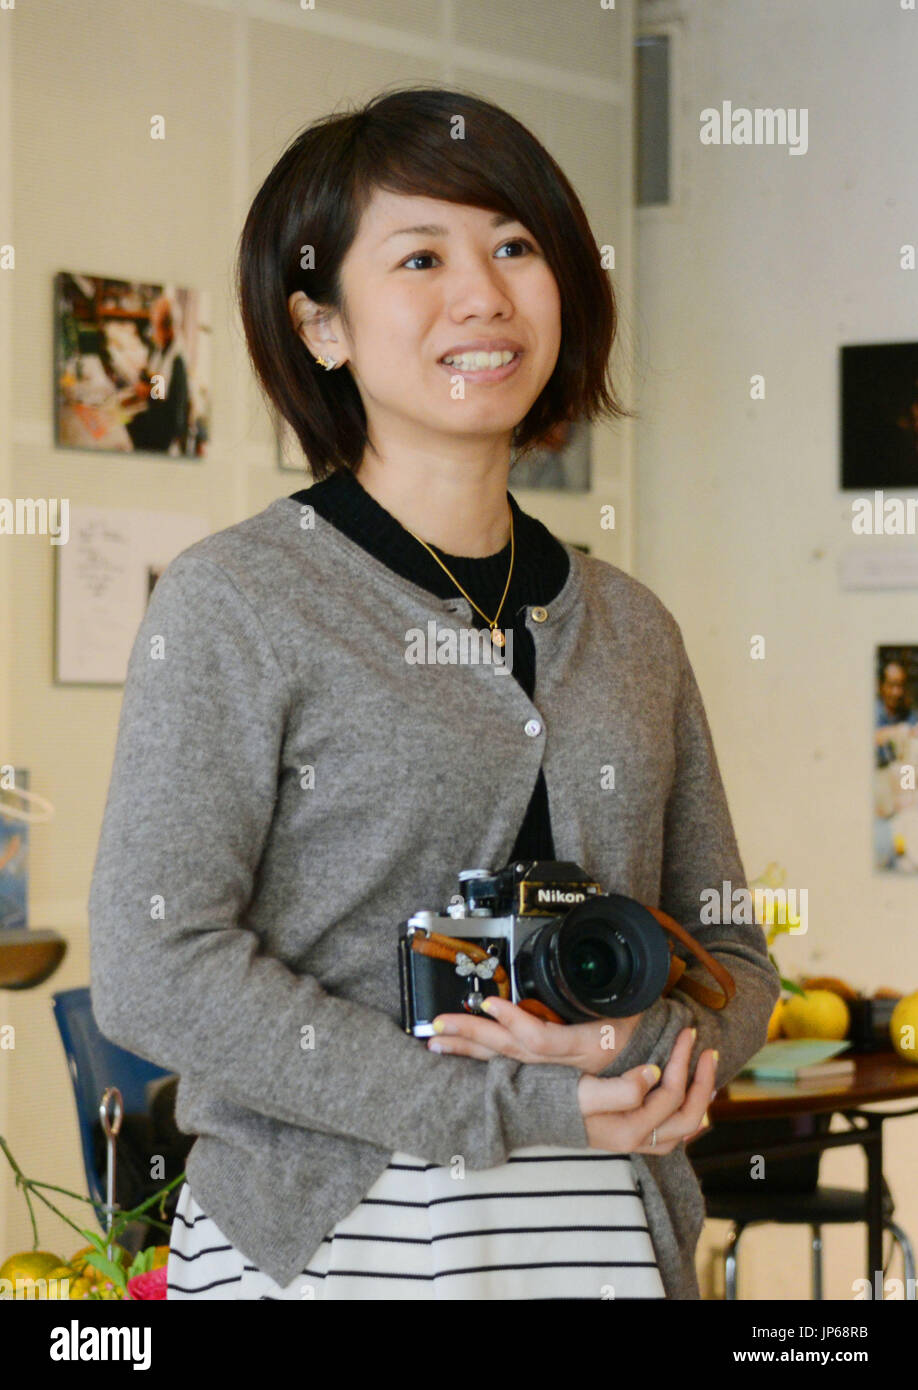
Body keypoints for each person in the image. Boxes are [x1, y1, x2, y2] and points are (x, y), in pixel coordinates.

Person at [89, 85, 779, 1300]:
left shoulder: (631, 627)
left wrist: (654, 1044)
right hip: (328, 1248)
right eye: (422, 256)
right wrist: (504, 1100)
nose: (486, 294)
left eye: (516, 246)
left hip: (604, 1244)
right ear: (322, 327)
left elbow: (727, 947)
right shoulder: (237, 601)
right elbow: (158, 964)